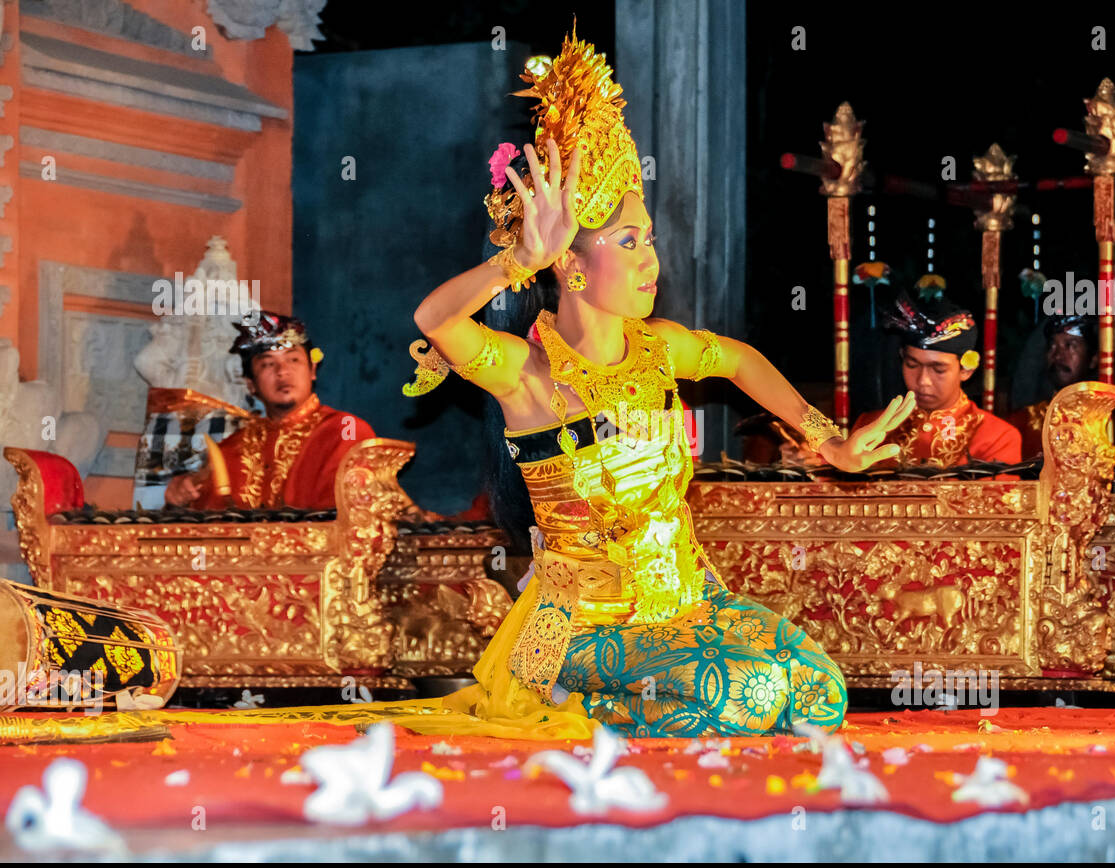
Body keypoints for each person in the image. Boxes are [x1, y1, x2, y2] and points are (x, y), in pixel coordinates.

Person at [406, 30, 914, 738]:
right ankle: (572, 702)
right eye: (629, 242)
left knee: (818, 690)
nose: (652, 260)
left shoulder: (659, 349)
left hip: (684, 603)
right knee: (750, 691)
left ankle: (635, 713)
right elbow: (435, 319)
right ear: (570, 265)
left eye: (647, 238)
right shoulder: (528, 372)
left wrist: (827, 439)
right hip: (583, 625)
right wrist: (516, 260)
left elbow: (739, 360)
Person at [164, 311, 376, 510]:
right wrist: (179, 497)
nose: (282, 372)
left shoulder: (345, 430)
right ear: (251, 384)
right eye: (267, 364)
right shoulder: (230, 450)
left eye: (293, 360)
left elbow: (350, 516)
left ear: (312, 370)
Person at [852, 289, 1020, 467]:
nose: (923, 380)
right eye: (912, 365)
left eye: (938, 370)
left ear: (966, 370)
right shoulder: (870, 427)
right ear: (902, 357)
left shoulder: (997, 437)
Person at [1007, 313, 1096, 459]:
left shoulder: (1110, 422)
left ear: (1093, 359)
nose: (1058, 355)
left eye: (1070, 346)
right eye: (1052, 346)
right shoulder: (1024, 421)